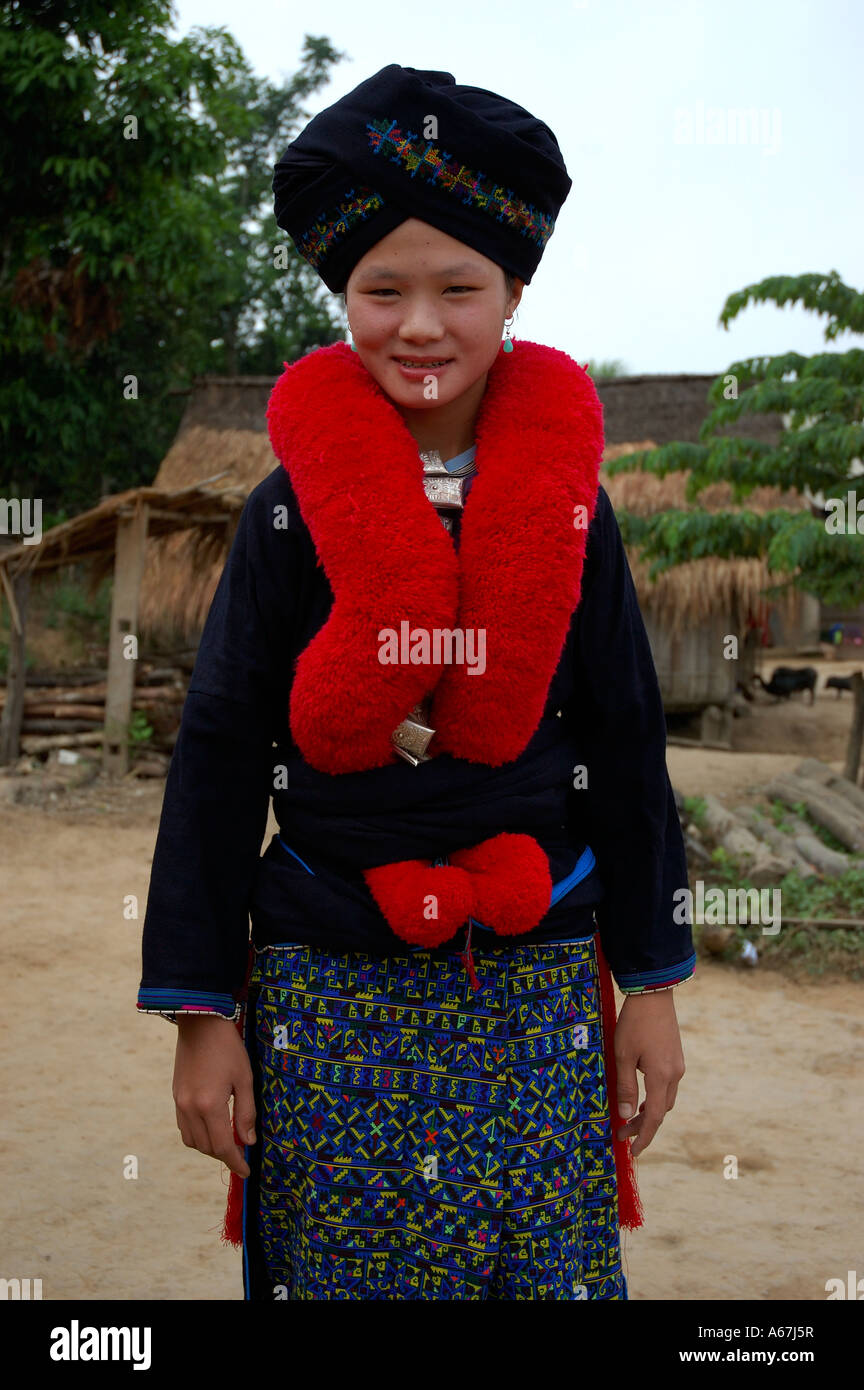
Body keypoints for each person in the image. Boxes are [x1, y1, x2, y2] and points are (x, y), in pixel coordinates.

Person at [137, 63, 695, 1302]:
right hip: (325, 981)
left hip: (538, 974)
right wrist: (201, 1012)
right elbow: (223, 751)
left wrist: (651, 985)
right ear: (343, 295)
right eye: (382, 289)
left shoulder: (573, 511)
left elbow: (629, 740)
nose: (422, 325)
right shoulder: (285, 516)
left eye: (461, 287)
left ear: (516, 294)